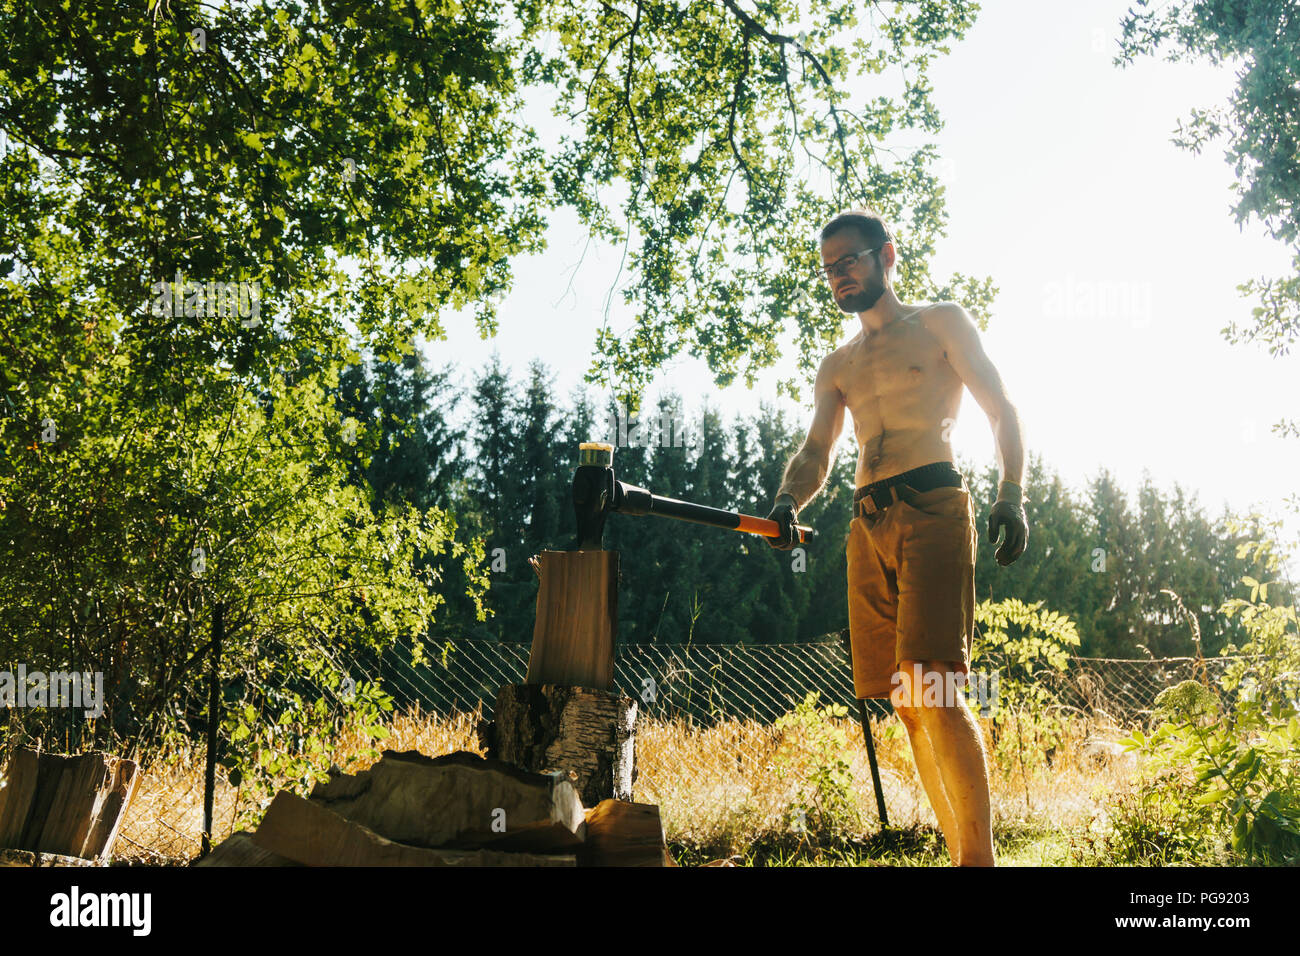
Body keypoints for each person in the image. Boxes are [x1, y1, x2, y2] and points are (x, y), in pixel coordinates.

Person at [767, 208, 1028, 866]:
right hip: (867, 523)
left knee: (934, 687)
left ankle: (979, 862)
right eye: (828, 269)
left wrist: (1012, 494)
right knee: (907, 704)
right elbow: (816, 452)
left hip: (933, 504)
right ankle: (955, 851)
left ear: (887, 256)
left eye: (849, 260)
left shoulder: (941, 321)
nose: (838, 276)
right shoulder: (838, 363)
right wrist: (785, 501)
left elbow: (1001, 406)